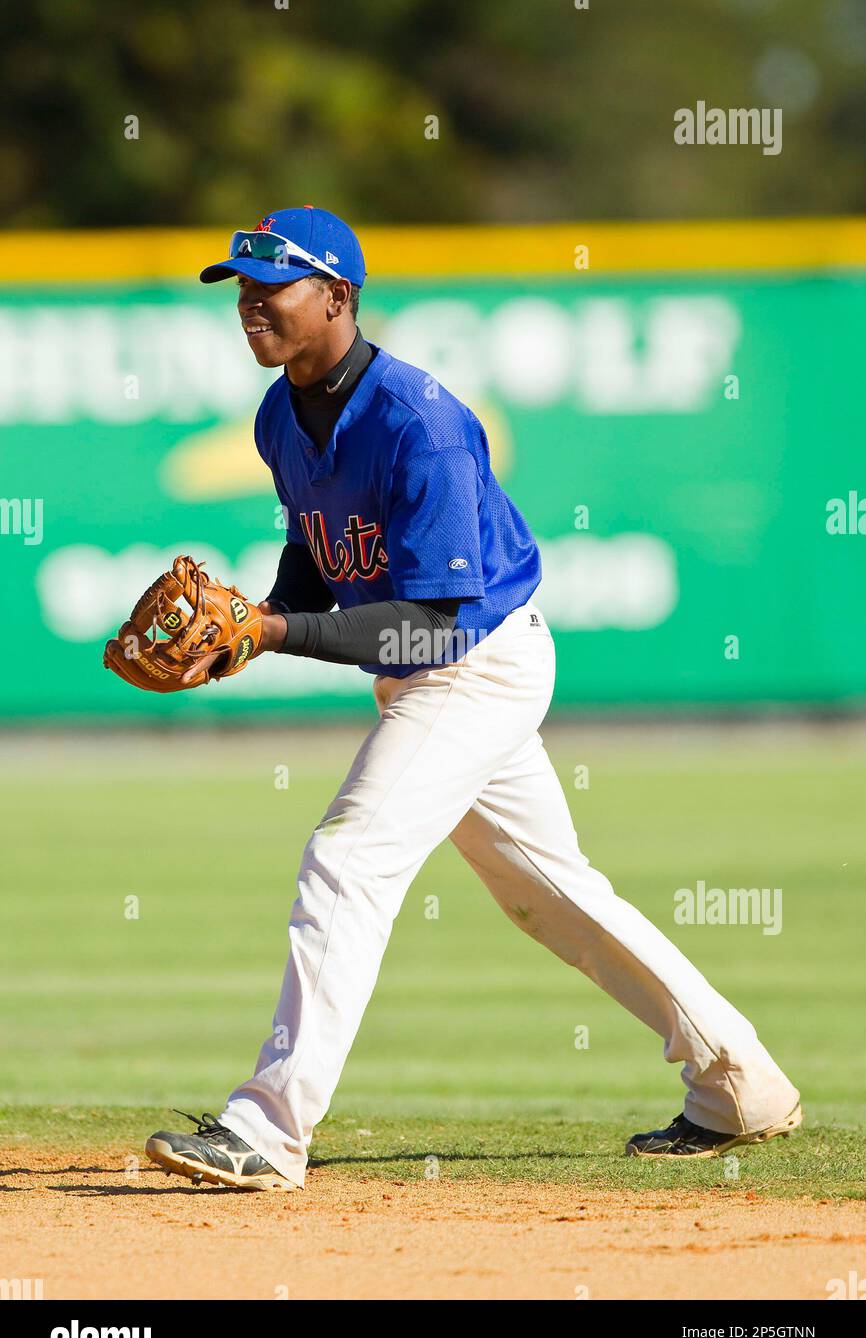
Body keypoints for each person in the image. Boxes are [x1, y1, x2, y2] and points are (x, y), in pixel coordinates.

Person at [145, 207, 801, 1191]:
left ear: (337, 297)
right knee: (550, 896)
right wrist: (260, 622)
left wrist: (272, 632)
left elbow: (436, 624)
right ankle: (738, 1085)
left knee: (347, 858)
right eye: (237, 286)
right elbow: (315, 550)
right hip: (425, 670)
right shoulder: (281, 414)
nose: (248, 304)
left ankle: (268, 1130)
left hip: (476, 661)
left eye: (269, 285)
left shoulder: (421, 422)